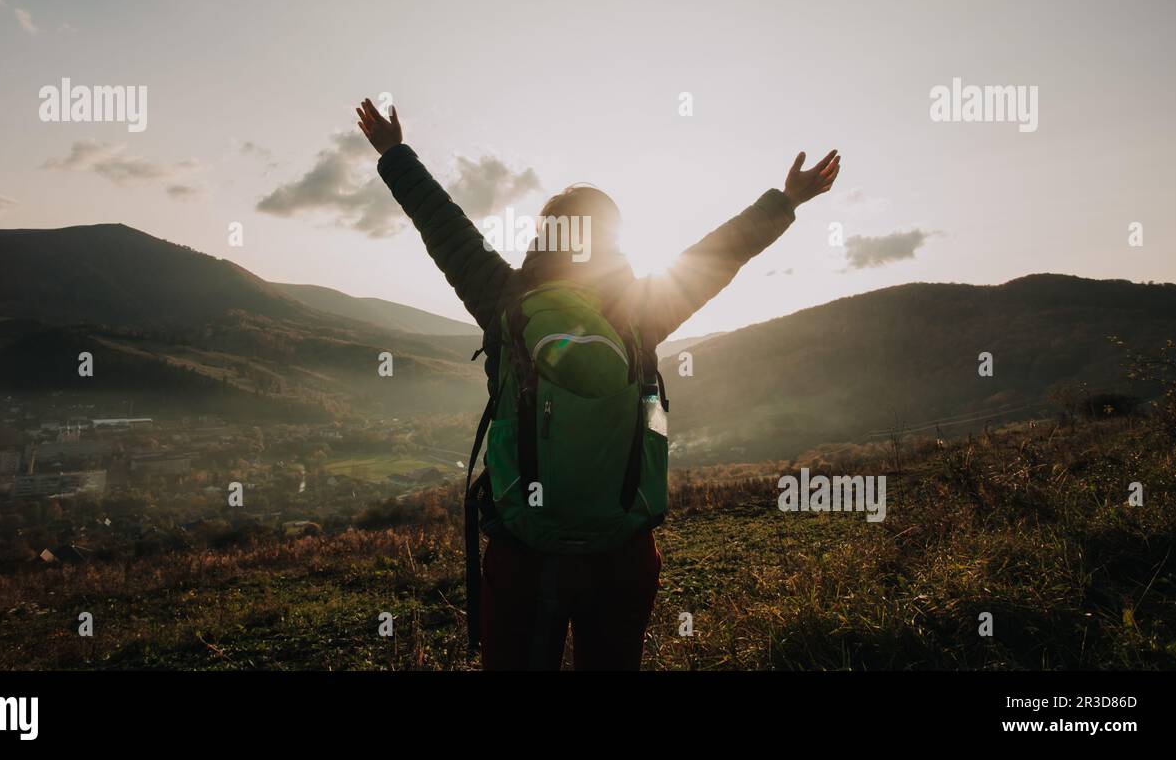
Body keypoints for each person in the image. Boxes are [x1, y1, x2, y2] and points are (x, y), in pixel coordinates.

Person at [355, 97, 840, 669]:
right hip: (621, 552)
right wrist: (786, 201)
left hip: (524, 552)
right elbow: (719, 253)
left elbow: (444, 227)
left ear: (543, 238)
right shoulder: (643, 310)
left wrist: (394, 154)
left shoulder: (504, 301)